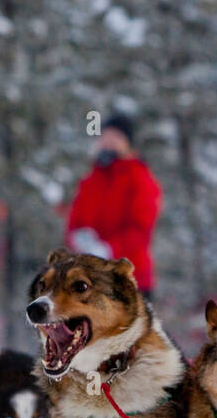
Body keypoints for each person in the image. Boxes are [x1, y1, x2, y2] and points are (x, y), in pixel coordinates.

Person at [65, 114, 163, 298]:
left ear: (128, 143)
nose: (109, 141)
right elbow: (75, 221)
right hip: (92, 280)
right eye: (105, 135)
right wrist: (80, 238)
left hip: (130, 280)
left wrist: (108, 249)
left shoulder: (141, 179)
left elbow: (140, 231)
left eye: (116, 136)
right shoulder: (91, 179)